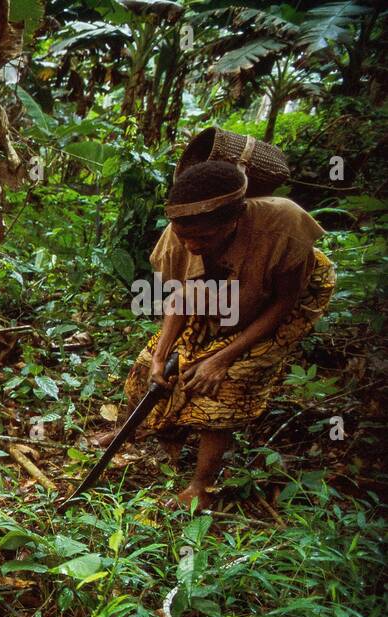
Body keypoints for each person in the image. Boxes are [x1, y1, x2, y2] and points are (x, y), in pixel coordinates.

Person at [93, 160, 336, 508]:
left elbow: (283, 303)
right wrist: (162, 356)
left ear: (234, 221)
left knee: (225, 383)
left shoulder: (282, 227)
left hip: (284, 300)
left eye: (203, 238)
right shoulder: (179, 237)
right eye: (184, 236)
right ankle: (132, 429)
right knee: (148, 364)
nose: (191, 245)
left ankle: (201, 486)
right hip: (218, 291)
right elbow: (180, 298)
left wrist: (222, 359)